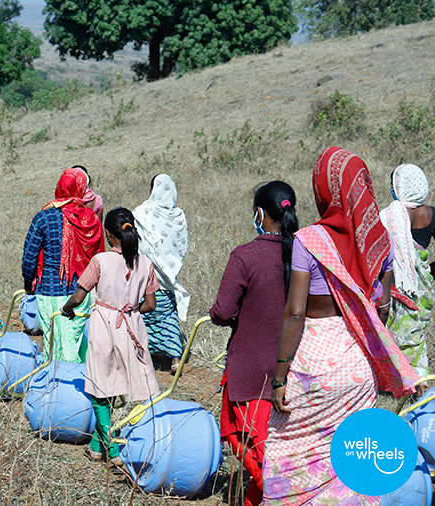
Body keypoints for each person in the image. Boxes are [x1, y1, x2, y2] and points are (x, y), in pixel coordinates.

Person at [265, 147, 418, 506]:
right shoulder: (380, 241)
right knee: (352, 464)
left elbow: (295, 314)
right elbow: (382, 307)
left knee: (291, 454)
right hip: (358, 369)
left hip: (312, 368)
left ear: (324, 189)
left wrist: (279, 377)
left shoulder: (308, 240)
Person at [209, 181, 298, 506]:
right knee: (277, 450)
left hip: (251, 373)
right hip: (295, 369)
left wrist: (220, 313)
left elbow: (222, 312)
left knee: (248, 443)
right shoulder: (306, 252)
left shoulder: (245, 256)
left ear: (260, 214)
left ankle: (282, 496)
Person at [61, 207, 160, 470]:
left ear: (107, 234)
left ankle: (112, 449)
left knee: (99, 387)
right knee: (117, 385)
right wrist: (132, 310)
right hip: (131, 327)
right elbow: (151, 304)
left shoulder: (100, 261)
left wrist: (66, 309)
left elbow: (78, 297)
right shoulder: (145, 263)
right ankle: (96, 447)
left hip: (105, 326)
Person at [22, 167, 104, 363]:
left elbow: (29, 257)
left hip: (49, 291)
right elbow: (98, 258)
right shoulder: (90, 219)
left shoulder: (43, 217)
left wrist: (28, 286)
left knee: (54, 342)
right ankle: (81, 377)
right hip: (80, 294)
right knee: (74, 342)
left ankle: (59, 378)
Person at [380, 163, 433, 384]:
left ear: (400, 188)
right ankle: (419, 381)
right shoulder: (431, 214)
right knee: (415, 333)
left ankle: (406, 382)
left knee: (395, 332)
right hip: (421, 286)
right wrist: (429, 272)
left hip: (393, 284)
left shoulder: (389, 216)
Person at [132, 174, 190, 371]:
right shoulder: (178, 217)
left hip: (145, 276)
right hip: (168, 277)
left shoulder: (140, 213)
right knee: (168, 316)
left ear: (152, 191)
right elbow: (180, 246)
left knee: (143, 314)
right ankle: (175, 359)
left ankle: (143, 354)